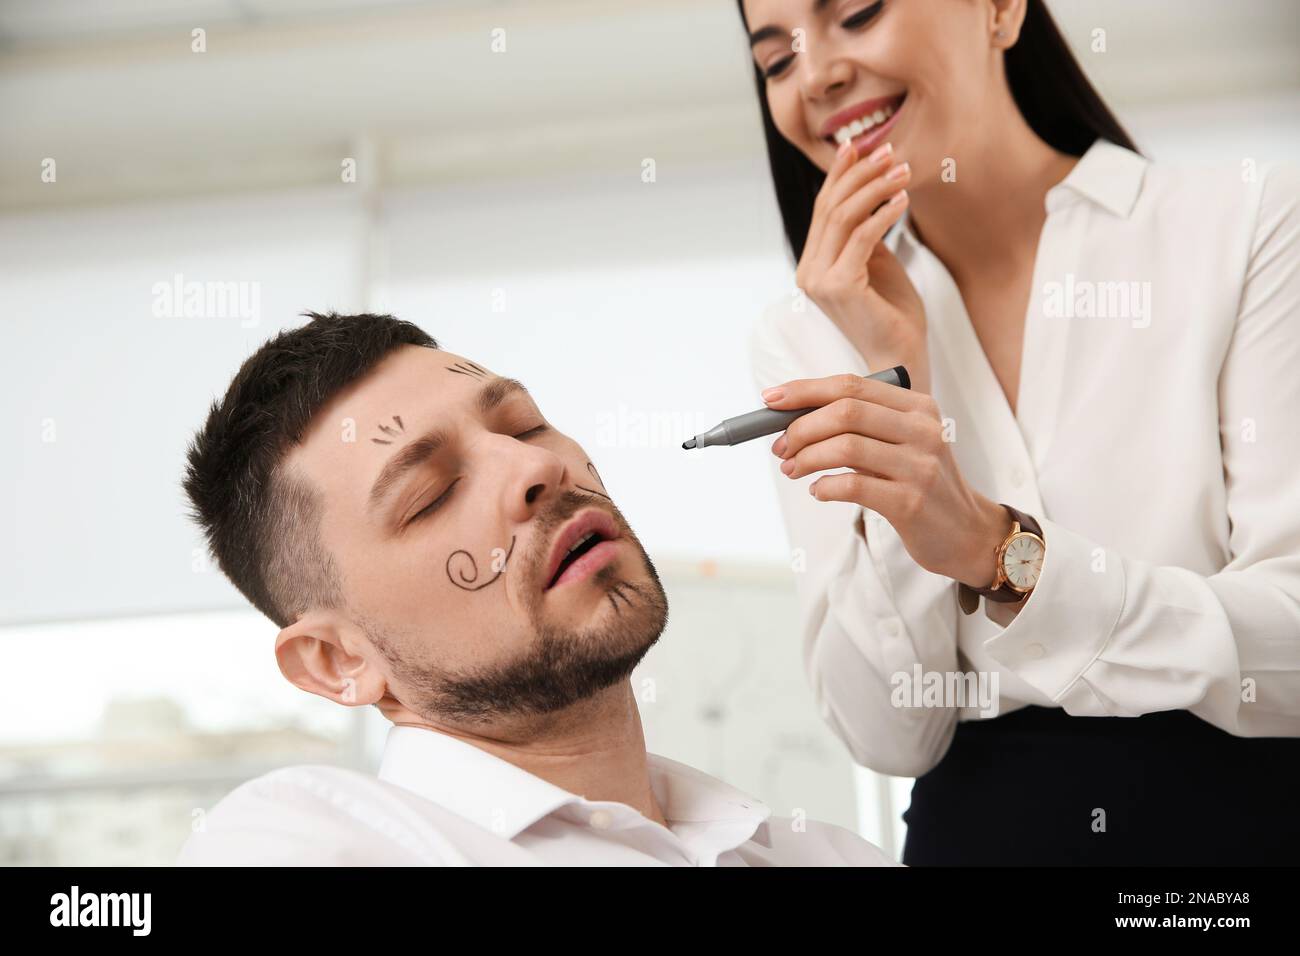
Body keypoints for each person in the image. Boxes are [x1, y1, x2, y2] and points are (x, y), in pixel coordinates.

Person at [738, 0, 1300, 863]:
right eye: (776, 61)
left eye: (856, 12)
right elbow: (892, 737)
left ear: (1000, 10)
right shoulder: (807, 335)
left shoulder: (1248, 222)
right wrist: (895, 372)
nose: (816, 76)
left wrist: (1004, 554)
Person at [175, 311, 896, 867]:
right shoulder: (303, 841)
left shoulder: (825, 854)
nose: (532, 468)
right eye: (430, 494)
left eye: (524, 424)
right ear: (339, 661)